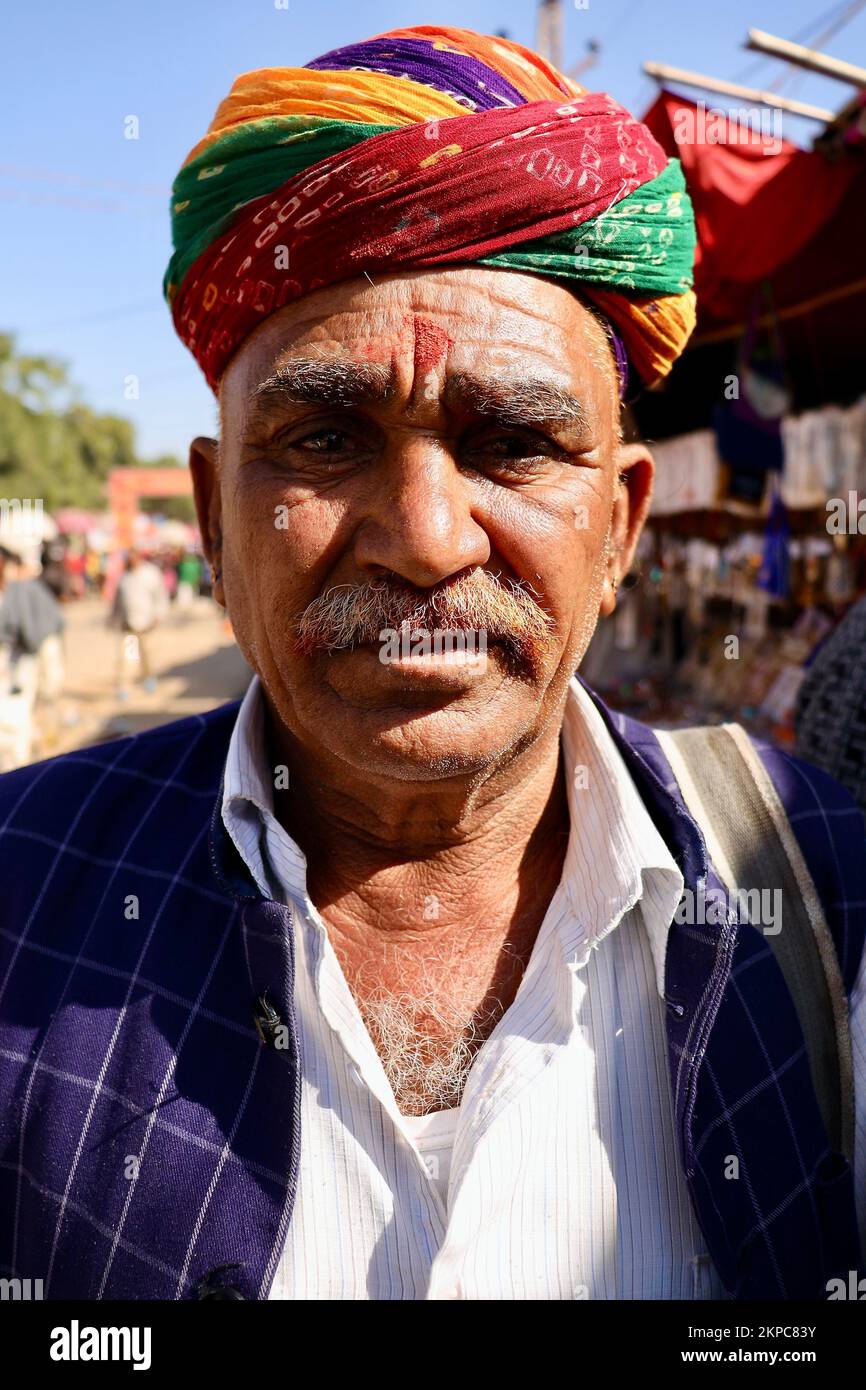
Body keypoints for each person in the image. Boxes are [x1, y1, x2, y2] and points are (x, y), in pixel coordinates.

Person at [0, 25, 863, 1303]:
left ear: (620, 525)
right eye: (326, 434)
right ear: (212, 518)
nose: (423, 536)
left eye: (510, 441)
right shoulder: (23, 896)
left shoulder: (829, 900)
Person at [0, 542, 65, 765]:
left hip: (36, 649)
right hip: (16, 657)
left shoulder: (24, 589)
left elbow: (33, 631)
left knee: (43, 695)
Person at [110, 548, 168, 697]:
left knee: (148, 656)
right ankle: (124, 687)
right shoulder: (124, 578)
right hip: (129, 626)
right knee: (128, 658)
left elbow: (160, 595)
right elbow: (118, 602)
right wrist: (114, 620)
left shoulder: (151, 574)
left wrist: (158, 615)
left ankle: (148, 679)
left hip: (148, 625)